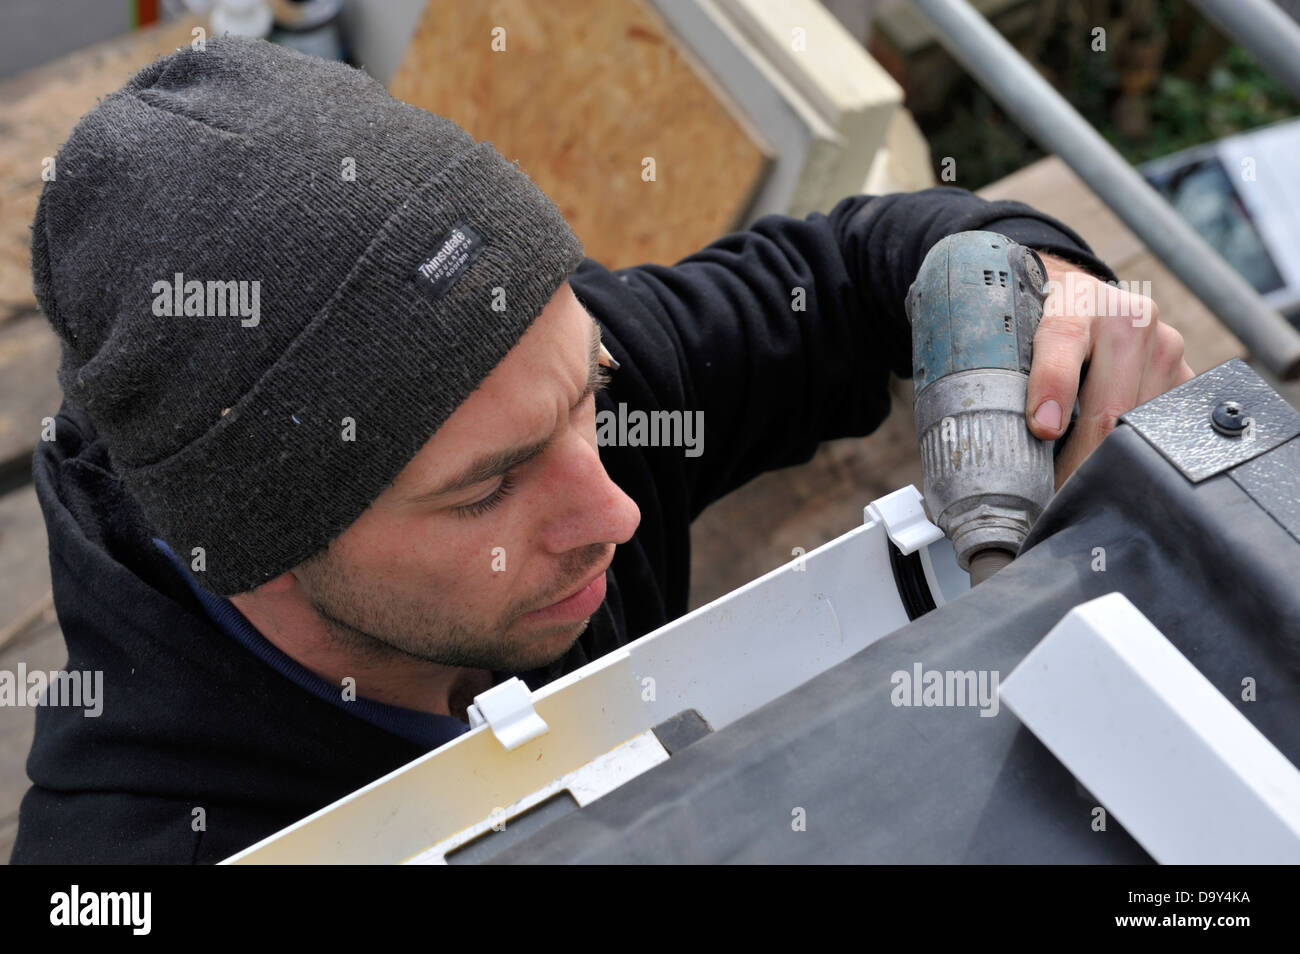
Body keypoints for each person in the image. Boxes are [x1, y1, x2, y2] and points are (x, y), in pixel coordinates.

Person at [12, 35, 1191, 864]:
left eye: (592, 394)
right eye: (488, 487)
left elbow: (845, 271)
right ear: (257, 545)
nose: (614, 507)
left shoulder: (542, 392)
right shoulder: (135, 849)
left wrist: (1033, 282)